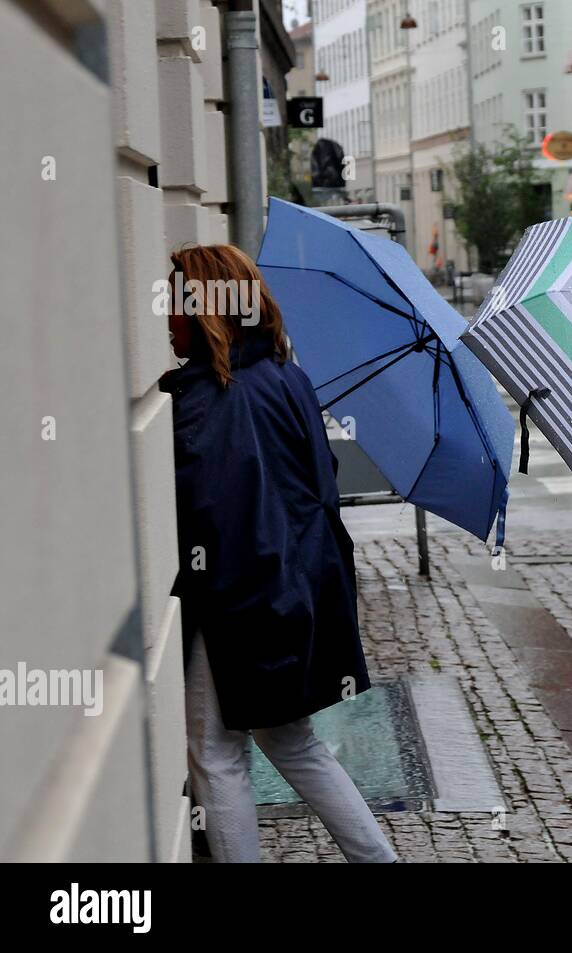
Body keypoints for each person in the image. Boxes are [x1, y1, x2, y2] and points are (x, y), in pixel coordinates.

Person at [161, 244, 395, 863]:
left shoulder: (213, 398)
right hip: (299, 585)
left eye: (175, 298)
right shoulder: (285, 375)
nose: (165, 315)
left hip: (242, 598)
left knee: (215, 754)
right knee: (293, 743)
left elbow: (210, 515)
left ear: (206, 308)